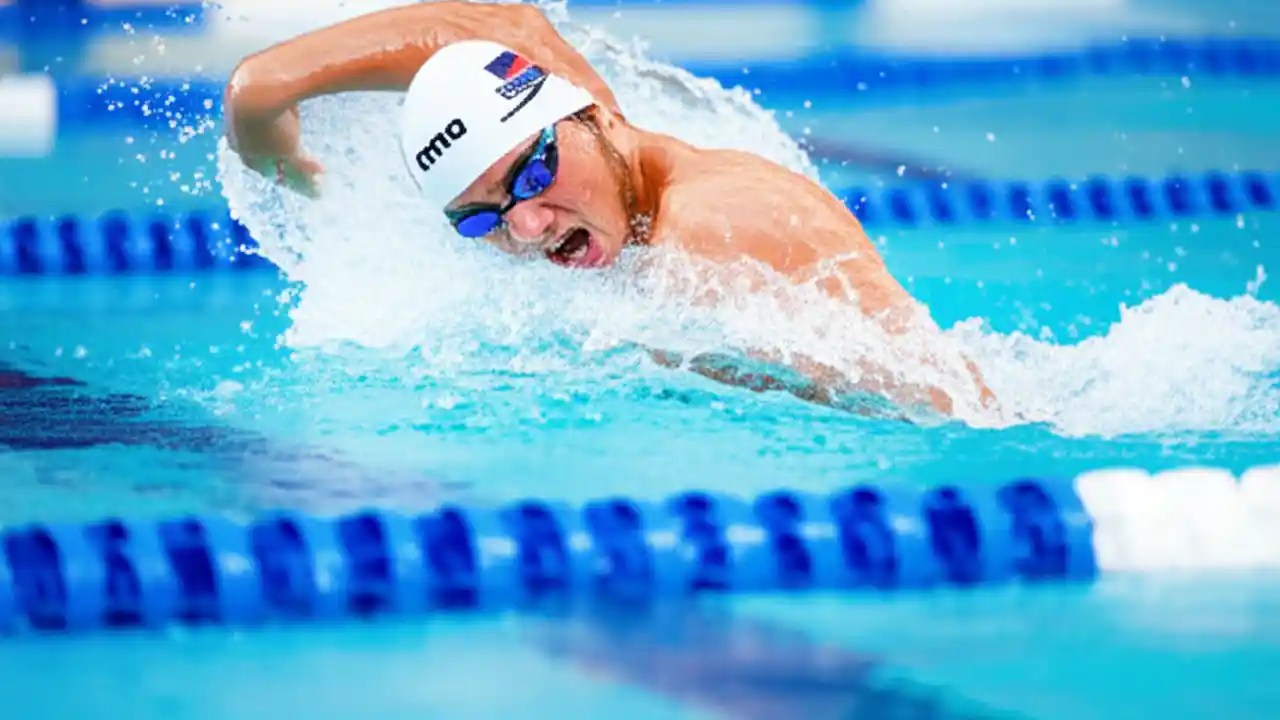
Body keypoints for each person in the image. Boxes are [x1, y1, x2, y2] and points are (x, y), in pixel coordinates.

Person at [223, 1, 996, 418]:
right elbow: (506, 27)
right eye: (479, 218)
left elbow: (934, 410)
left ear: (597, 113)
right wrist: (259, 91)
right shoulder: (596, 155)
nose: (526, 226)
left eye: (532, 172)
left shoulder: (709, 239)